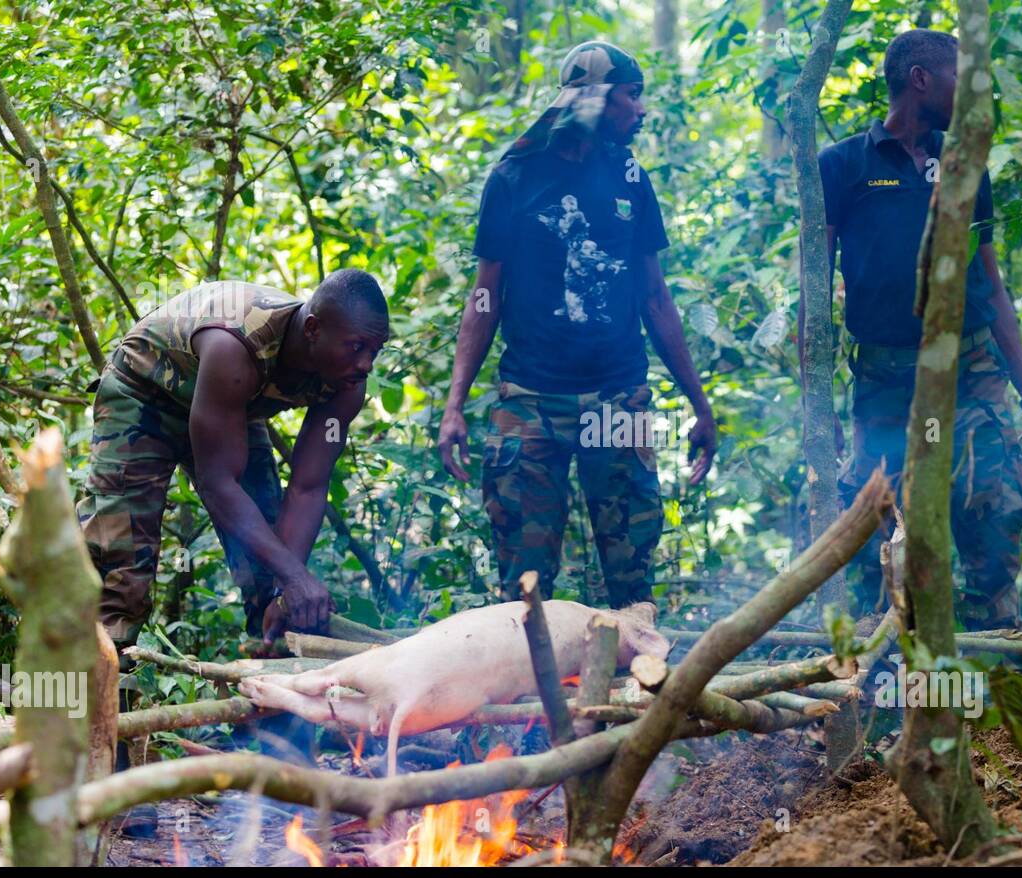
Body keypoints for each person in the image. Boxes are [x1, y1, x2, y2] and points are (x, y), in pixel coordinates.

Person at [801, 28, 1022, 630]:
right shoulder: (842, 166)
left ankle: (994, 668)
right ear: (920, 79)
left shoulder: (966, 165)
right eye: (960, 78)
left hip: (971, 373)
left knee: (995, 510)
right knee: (878, 526)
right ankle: (881, 683)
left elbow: (992, 284)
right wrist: (813, 411)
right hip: (884, 379)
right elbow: (813, 292)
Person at [438, 40, 716, 608]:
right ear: (595, 99)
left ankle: (640, 692)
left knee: (632, 577)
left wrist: (700, 404)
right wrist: (454, 404)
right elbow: (485, 294)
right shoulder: (515, 176)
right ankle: (535, 694)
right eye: (631, 96)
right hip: (530, 402)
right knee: (523, 587)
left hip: (618, 396)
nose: (640, 110)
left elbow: (655, 296)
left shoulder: (631, 177)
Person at [78, 270, 390, 653]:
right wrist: (294, 576)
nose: (366, 365)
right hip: (144, 394)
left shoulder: (346, 386)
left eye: (375, 350)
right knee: (119, 566)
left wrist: (285, 588)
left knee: (271, 566)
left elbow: (309, 486)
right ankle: (95, 695)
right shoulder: (236, 346)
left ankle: (270, 687)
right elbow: (218, 484)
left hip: (229, 410)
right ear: (312, 330)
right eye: (356, 347)